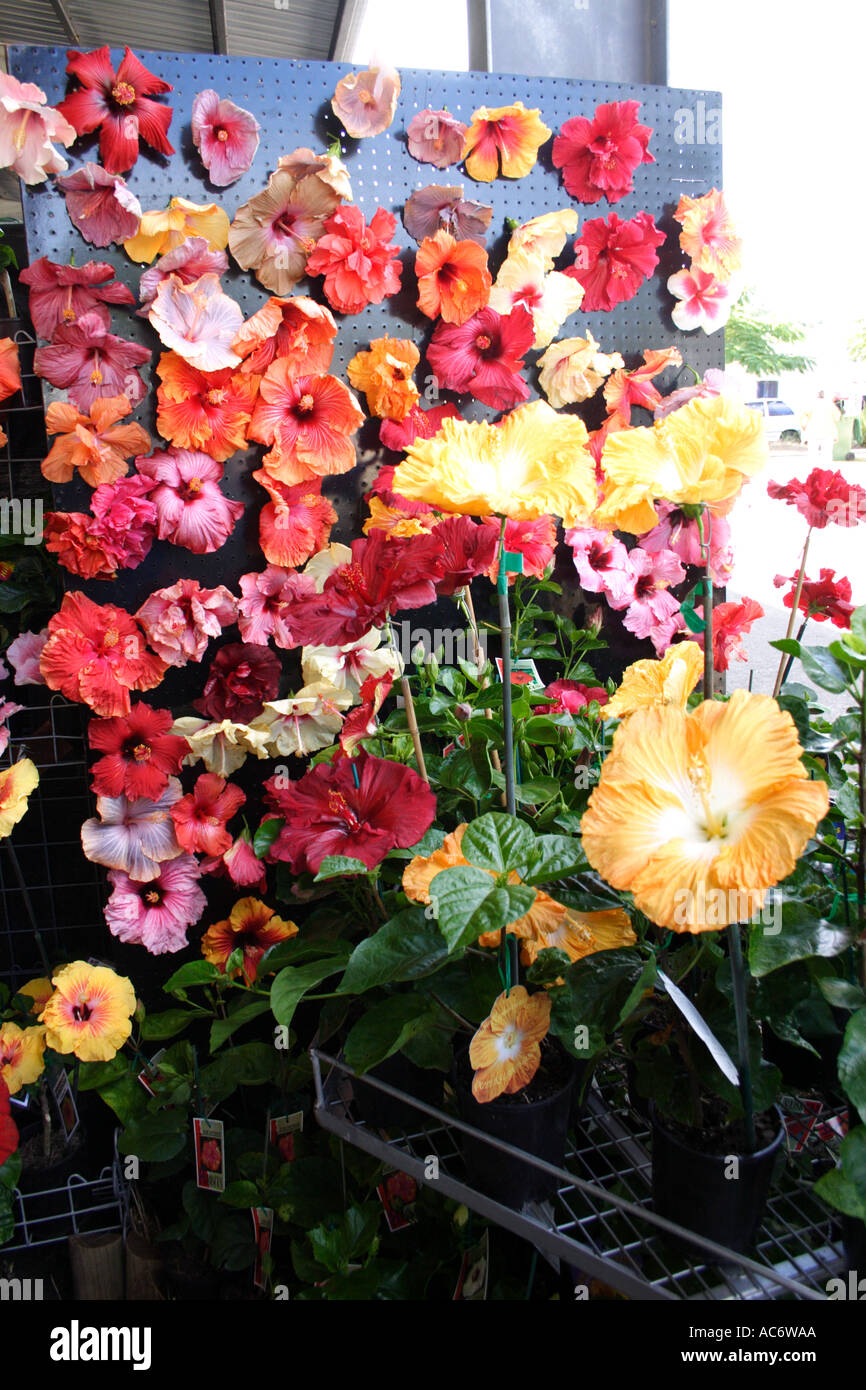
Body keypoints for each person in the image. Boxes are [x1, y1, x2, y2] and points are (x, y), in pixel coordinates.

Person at [801, 390, 841, 458]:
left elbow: (804, 418)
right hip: (828, 433)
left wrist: (804, 427)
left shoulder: (811, 404)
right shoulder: (830, 404)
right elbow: (837, 417)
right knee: (827, 455)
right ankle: (826, 468)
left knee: (812, 455)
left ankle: (813, 468)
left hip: (813, 432)